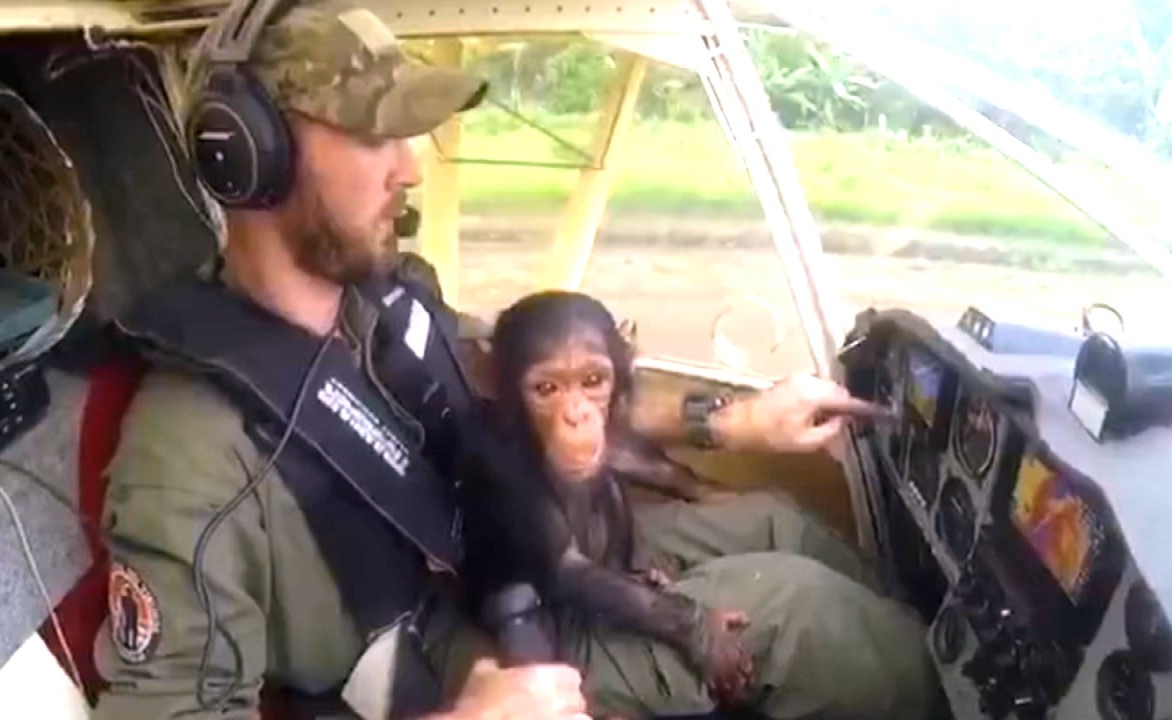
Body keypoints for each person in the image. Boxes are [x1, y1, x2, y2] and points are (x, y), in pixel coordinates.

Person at [89, 2, 942, 719]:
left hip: (509, 548)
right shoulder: (194, 447)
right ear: (251, 157)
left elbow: (531, 391)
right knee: (804, 613)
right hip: (447, 653)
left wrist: (728, 419)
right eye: (375, 135)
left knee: (777, 523)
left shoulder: (386, 303)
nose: (411, 167)